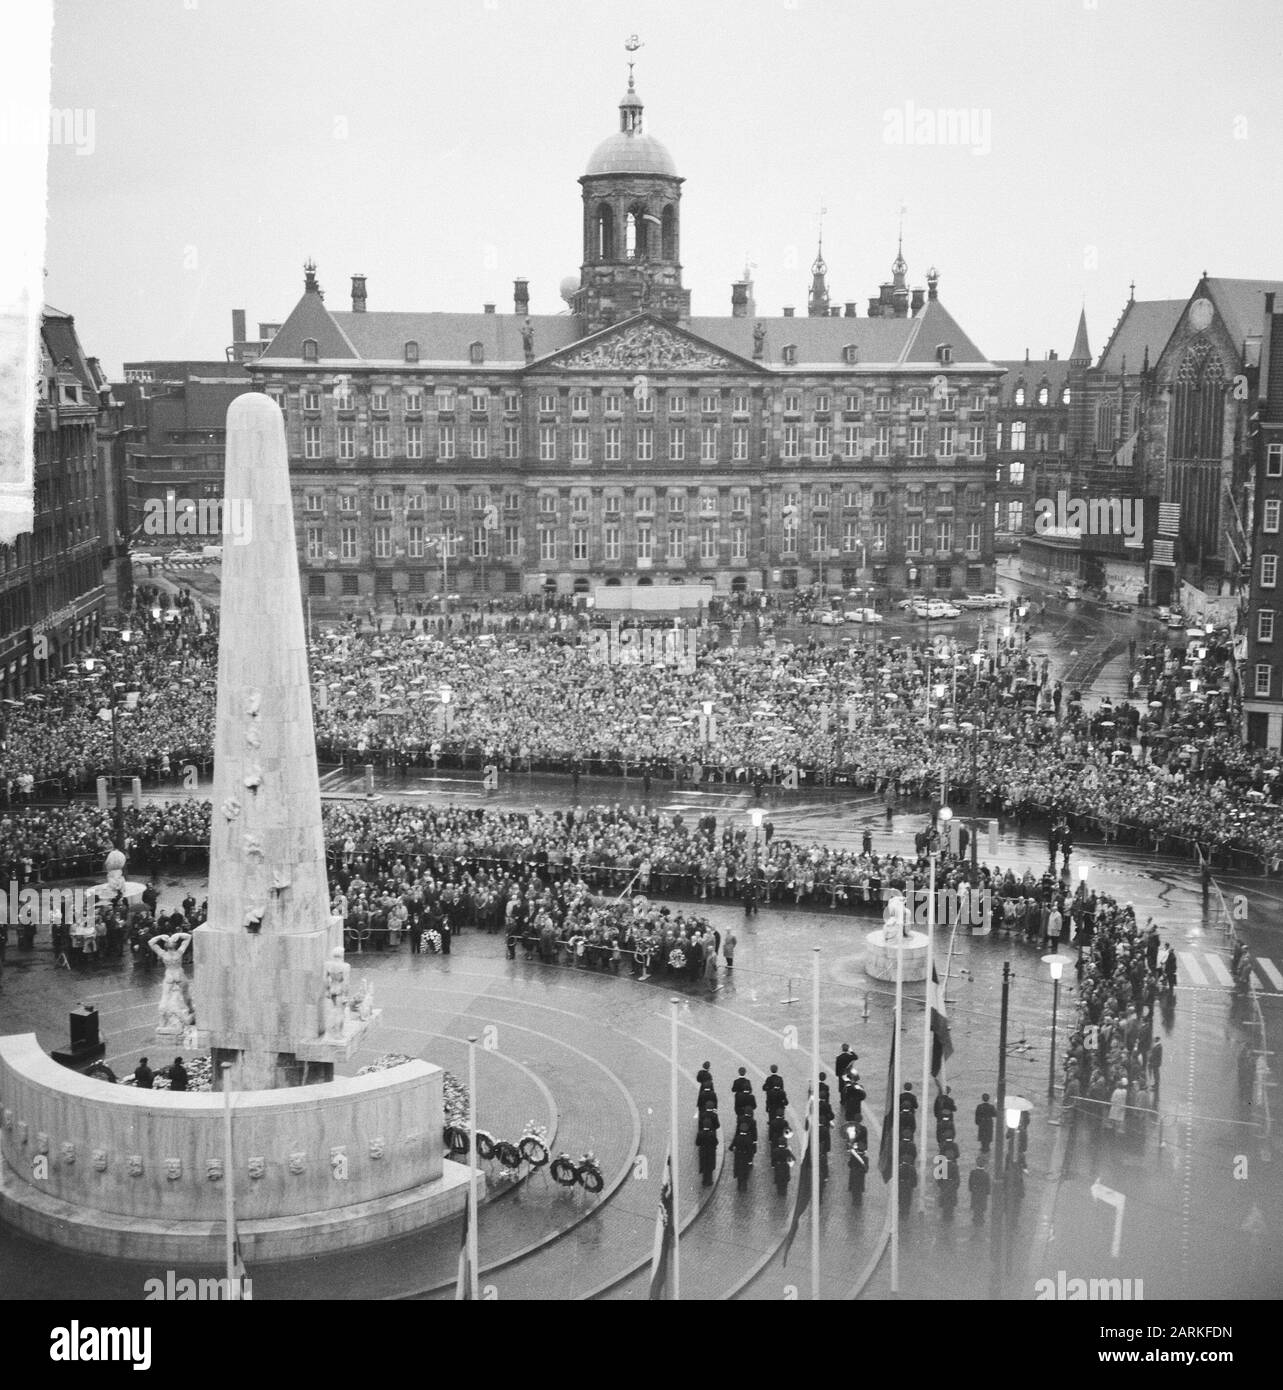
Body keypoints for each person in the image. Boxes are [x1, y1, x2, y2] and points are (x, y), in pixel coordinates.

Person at [729, 1115, 756, 1193]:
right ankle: (744, 1186)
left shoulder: (737, 1138)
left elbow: (731, 1147)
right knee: (745, 1171)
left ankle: (739, 1184)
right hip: (745, 1157)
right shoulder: (748, 1138)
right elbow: (750, 1150)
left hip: (738, 1156)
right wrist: (750, 1159)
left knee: (738, 1170)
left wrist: (734, 1149)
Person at [696, 1112, 719, 1188]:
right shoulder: (712, 1134)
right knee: (709, 1167)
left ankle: (704, 1180)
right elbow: (716, 1142)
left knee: (704, 1166)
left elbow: (697, 1143)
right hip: (710, 1152)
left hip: (703, 1152)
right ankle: (709, 1181)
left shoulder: (700, 1133)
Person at [968, 1155, 990, 1226]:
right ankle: (980, 1223)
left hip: (975, 1194)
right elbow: (988, 1188)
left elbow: (970, 1184)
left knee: (976, 1210)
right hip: (982, 1195)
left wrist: (973, 1190)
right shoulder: (986, 1174)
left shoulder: (973, 1173)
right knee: (981, 1211)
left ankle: (976, 1222)